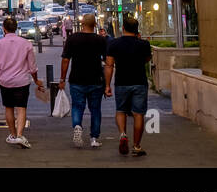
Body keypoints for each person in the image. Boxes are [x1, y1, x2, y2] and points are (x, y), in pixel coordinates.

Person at [0, 16, 41, 148]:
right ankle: (19, 135)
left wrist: (0, 76)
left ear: (4, 29)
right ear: (16, 28)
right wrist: (36, 79)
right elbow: (32, 66)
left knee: (8, 107)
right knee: (22, 108)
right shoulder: (26, 44)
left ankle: (12, 134)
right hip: (22, 81)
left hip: (5, 81)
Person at [105, 15, 153, 157]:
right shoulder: (144, 44)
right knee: (138, 114)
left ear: (123, 28)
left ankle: (123, 134)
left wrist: (107, 85)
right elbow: (147, 59)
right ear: (137, 30)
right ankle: (137, 146)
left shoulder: (114, 44)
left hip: (121, 82)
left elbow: (109, 65)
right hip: (139, 82)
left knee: (120, 110)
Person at [59, 14, 106, 149]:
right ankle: (94, 138)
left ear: (82, 24)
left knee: (77, 107)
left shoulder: (73, 38)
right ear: (95, 25)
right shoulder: (100, 40)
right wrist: (107, 83)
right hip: (96, 79)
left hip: (76, 79)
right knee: (95, 109)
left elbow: (66, 60)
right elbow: (107, 61)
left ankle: (78, 126)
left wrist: (62, 78)